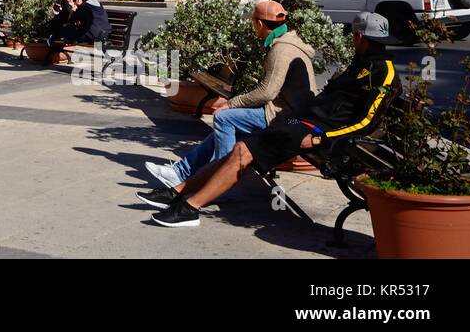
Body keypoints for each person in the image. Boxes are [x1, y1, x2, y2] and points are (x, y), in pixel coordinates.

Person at [143, 12, 399, 228]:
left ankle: (189, 206)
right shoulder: (360, 64)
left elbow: (367, 122)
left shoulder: (383, 72)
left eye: (355, 36)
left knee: (242, 150)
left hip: (317, 134)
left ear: (360, 37)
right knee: (241, 147)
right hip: (300, 123)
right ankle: (179, 192)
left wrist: (322, 137)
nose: (353, 39)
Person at [145, 0, 315, 189]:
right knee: (226, 124)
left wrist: (232, 103)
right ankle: (180, 172)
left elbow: (267, 91)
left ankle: (218, 182)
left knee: (224, 118)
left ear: (259, 24)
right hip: (288, 112)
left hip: (285, 118)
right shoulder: (290, 42)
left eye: (253, 23)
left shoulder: (281, 49)